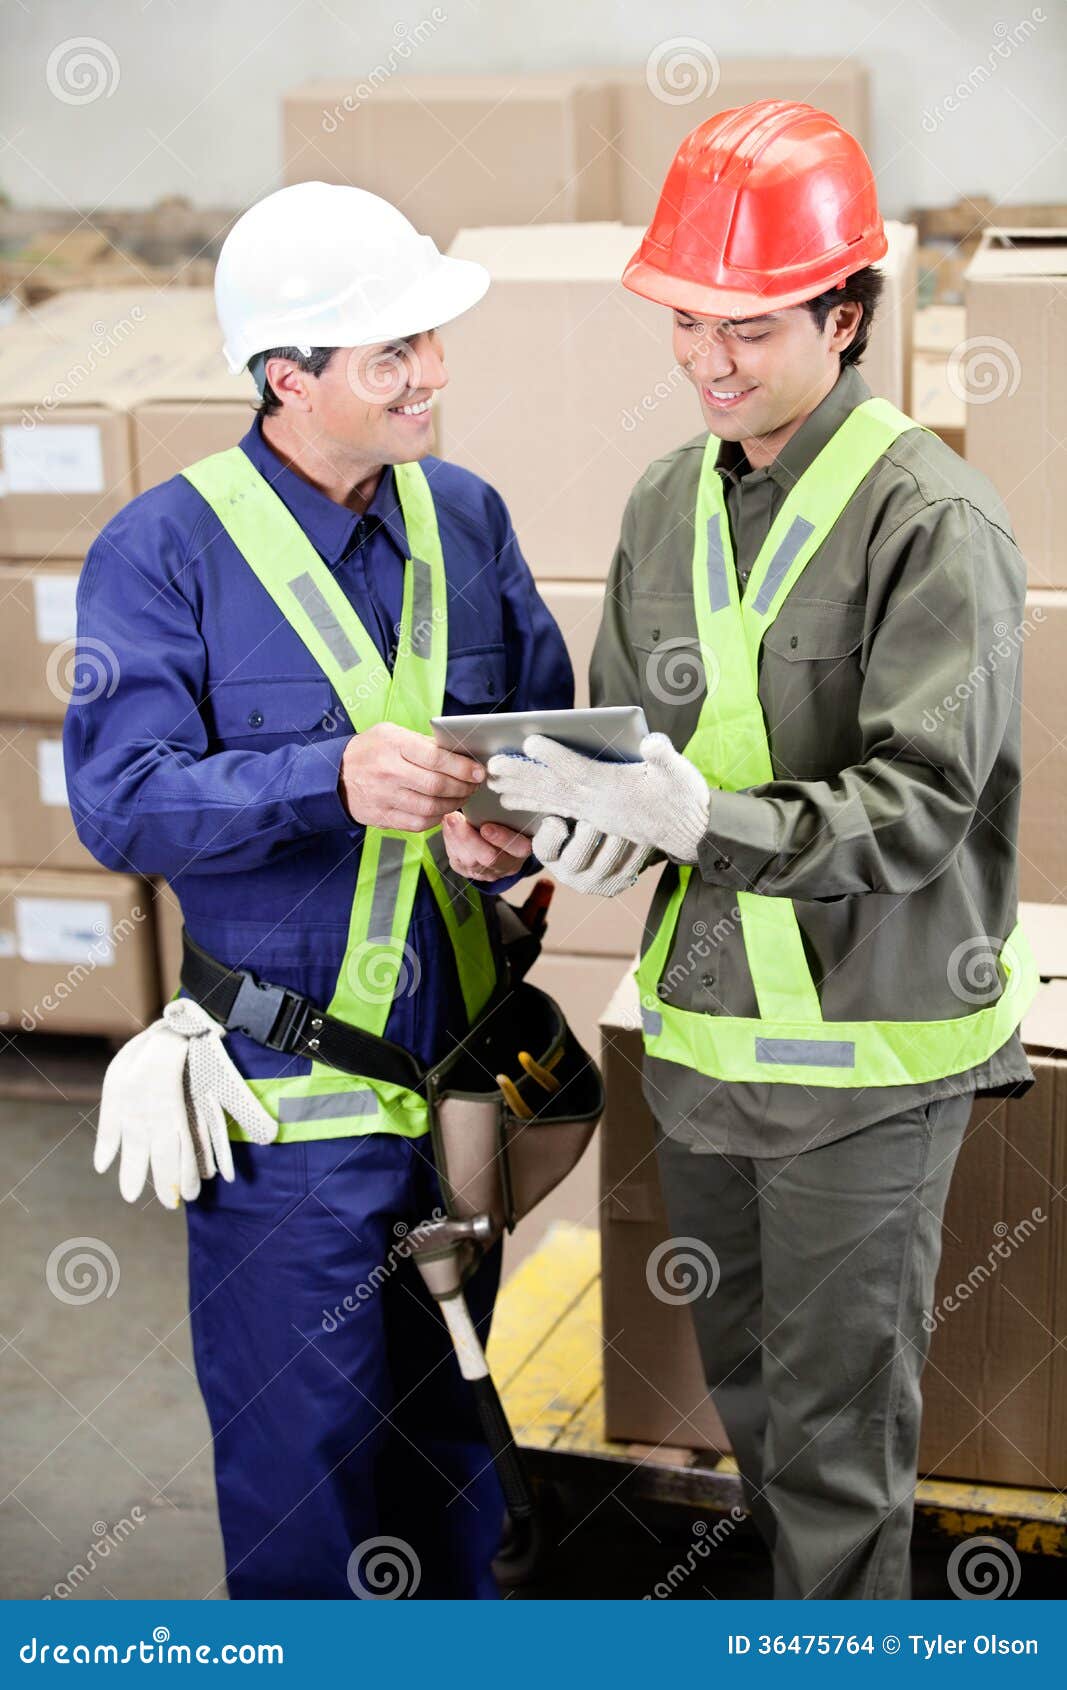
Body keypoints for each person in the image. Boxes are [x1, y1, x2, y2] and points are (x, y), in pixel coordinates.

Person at [487, 101, 1036, 1600]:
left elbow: (923, 807)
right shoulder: (667, 500)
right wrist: (579, 831)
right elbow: (634, 748)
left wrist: (702, 825)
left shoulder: (937, 518)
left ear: (844, 315)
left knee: (842, 1449)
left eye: (748, 325)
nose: (709, 360)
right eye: (685, 323)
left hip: (865, 1059)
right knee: (758, 1419)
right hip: (707, 1041)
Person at [63, 180, 572, 1599]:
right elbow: (121, 802)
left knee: (458, 1485)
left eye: (430, 341)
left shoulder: (463, 518)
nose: (436, 374)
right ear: (289, 376)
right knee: (311, 1502)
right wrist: (324, 781)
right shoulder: (162, 552)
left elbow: (537, 736)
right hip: (287, 1130)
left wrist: (508, 832)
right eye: (394, 351)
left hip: (457, 1100)